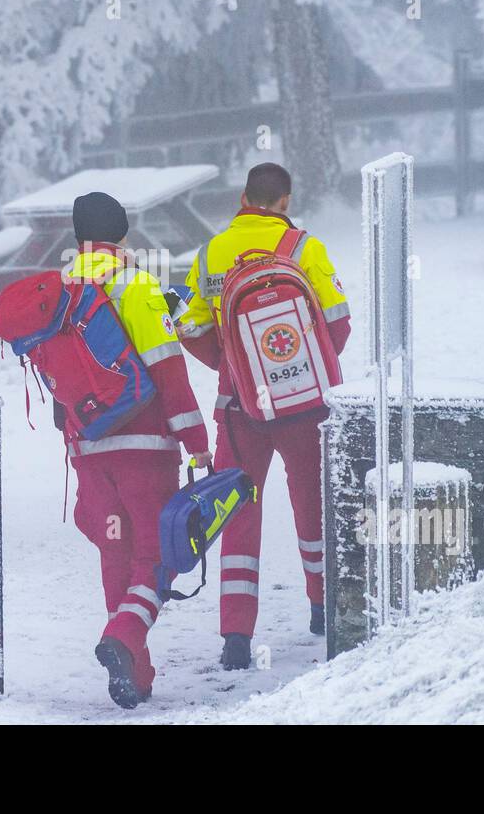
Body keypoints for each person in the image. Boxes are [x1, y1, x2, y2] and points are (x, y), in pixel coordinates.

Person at [177, 163, 351, 671]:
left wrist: (235, 364)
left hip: (237, 410)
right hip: (305, 407)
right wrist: (300, 369)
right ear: (285, 201)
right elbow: (338, 324)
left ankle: (235, 636)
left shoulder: (210, 253)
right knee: (312, 505)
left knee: (237, 512)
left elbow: (186, 325)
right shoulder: (305, 248)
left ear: (243, 197)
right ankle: (322, 607)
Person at [61, 191, 213, 708]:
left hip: (87, 445)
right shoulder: (135, 283)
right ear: (122, 234)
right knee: (156, 558)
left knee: (115, 555)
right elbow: (169, 370)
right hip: (145, 447)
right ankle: (123, 637)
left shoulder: (57, 291)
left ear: (77, 236)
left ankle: (134, 677)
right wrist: (196, 440)